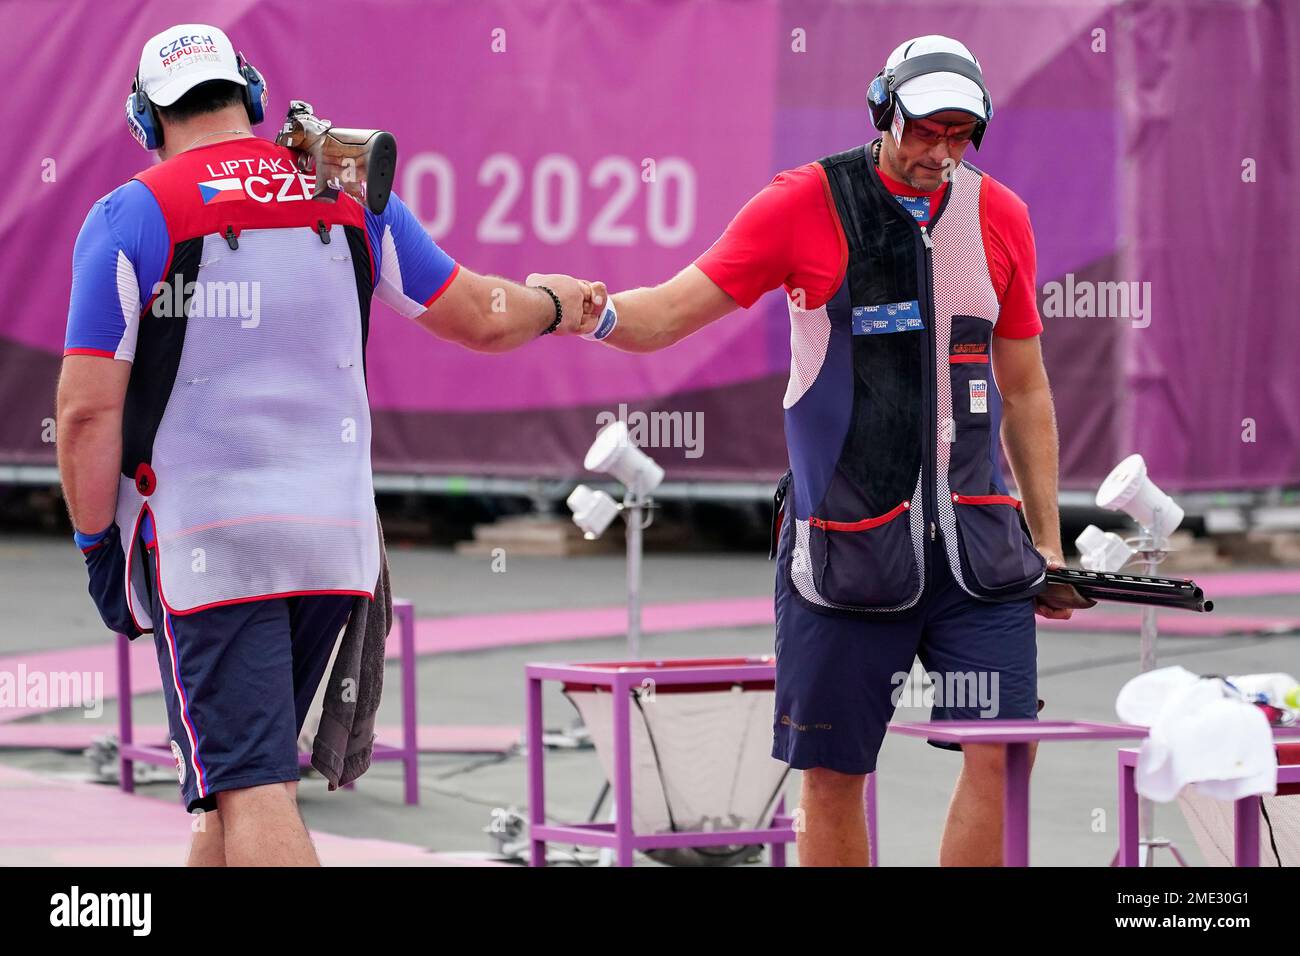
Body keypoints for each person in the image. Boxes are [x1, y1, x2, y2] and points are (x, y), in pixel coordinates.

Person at [57, 23, 594, 866]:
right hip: (335, 547)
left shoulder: (134, 213)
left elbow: (86, 415)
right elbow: (480, 316)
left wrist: (95, 543)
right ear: (253, 95)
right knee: (226, 795)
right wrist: (555, 303)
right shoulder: (343, 188)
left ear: (144, 118)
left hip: (208, 550)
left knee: (254, 791)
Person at [571, 35, 1094, 866]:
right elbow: (667, 315)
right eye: (925, 130)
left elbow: (1025, 388)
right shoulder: (802, 202)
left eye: (961, 135)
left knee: (1004, 751)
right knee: (833, 774)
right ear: (883, 108)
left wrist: (1047, 542)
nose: (941, 153)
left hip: (979, 559)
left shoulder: (1003, 216)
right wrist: (581, 310)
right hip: (845, 556)